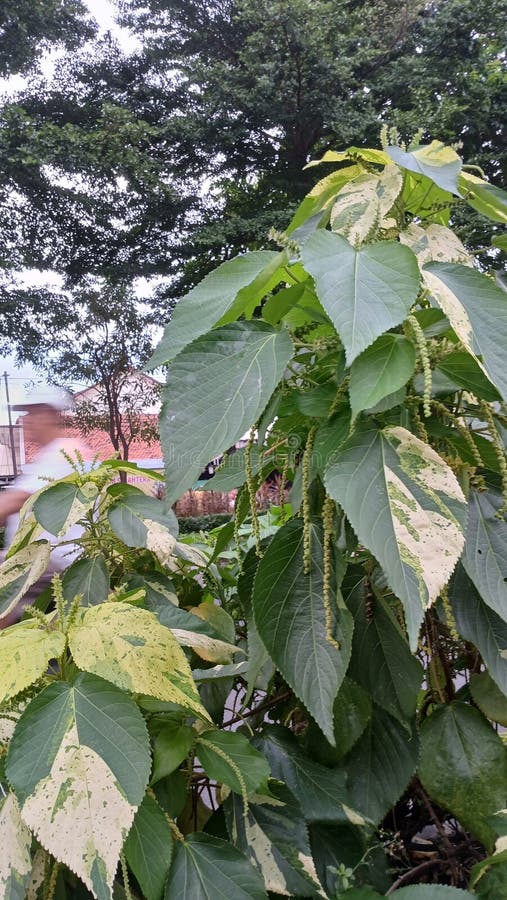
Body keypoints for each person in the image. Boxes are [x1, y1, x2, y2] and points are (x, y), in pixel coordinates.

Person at [0, 384, 90, 626]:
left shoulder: (65, 452)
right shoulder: (46, 457)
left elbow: (13, 501)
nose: (26, 420)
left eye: (34, 413)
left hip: (55, 558)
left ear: (53, 415)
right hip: (36, 557)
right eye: (26, 414)